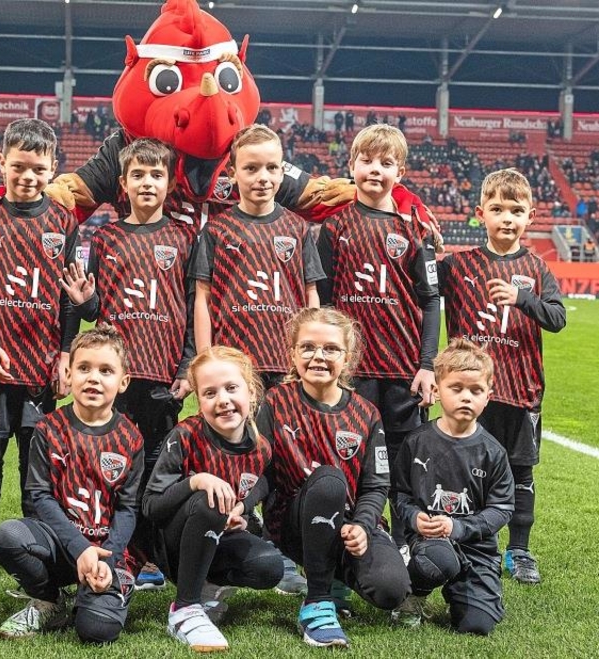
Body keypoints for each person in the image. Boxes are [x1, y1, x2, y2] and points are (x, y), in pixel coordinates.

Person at [60, 138, 195, 591]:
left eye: (156, 175)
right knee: (116, 470)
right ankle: (115, 553)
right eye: (137, 175)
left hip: (161, 377)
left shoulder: (184, 237)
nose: (147, 183)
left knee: (156, 476)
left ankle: (148, 558)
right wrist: (85, 301)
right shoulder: (104, 237)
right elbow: (95, 304)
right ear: (122, 184)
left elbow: (193, 304)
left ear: (170, 182)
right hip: (115, 378)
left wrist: (188, 365)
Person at [0, 118, 80, 585]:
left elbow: (69, 297)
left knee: (35, 465)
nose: (28, 176)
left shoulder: (65, 224)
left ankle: (30, 547)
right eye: (18, 166)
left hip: (41, 369)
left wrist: (65, 354)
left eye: (38, 168)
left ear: (52, 169)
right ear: (1, 162)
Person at [437, 168, 566, 585]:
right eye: (497, 209)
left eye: (516, 210)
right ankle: (465, 540)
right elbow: (416, 288)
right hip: (471, 392)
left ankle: (519, 550)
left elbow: (558, 319)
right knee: (463, 468)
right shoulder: (457, 266)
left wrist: (522, 298)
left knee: (520, 471)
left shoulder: (537, 269)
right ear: (480, 214)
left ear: (531, 217)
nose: (506, 218)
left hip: (521, 390)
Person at [316, 123, 440, 554]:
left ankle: (406, 545)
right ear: (351, 166)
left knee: (405, 461)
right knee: (348, 457)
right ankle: (344, 542)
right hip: (352, 371)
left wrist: (427, 365)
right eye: (366, 161)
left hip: (403, 370)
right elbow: (325, 304)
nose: (375, 170)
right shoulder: (332, 229)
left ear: (400, 173)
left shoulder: (415, 231)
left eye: (386, 163)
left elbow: (430, 302)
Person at [258, 307, 410, 649]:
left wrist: (363, 525)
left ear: (348, 357)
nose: (318, 357)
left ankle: (337, 574)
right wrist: (242, 507)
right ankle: (317, 602)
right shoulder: (274, 402)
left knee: (391, 589)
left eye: (330, 349)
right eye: (308, 347)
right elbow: (260, 472)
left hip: (347, 525)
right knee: (329, 481)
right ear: (292, 353)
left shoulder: (367, 413)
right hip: (294, 526)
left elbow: (375, 485)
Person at [0, 324, 143, 643]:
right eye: (84, 368)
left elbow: (128, 509)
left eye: (106, 370)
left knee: (96, 631)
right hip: (64, 544)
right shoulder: (48, 429)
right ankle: (49, 600)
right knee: (8, 536)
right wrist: (80, 549)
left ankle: (105, 590)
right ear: (68, 374)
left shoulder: (131, 438)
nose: (93, 377)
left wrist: (108, 557)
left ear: (123, 381)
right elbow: (39, 497)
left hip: (108, 550)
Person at [143, 346, 284, 651]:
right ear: (198, 400)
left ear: (251, 392)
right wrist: (196, 481)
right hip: (172, 546)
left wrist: (242, 509)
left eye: (232, 388)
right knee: (210, 499)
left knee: (269, 567)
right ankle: (184, 609)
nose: (223, 400)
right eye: (209, 393)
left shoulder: (260, 446)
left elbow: (263, 481)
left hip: (217, 538)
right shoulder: (185, 435)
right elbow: (151, 506)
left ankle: (209, 589)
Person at [390, 339, 514, 635]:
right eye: (456, 388)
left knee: (476, 625)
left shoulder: (493, 452)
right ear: (436, 390)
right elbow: (399, 494)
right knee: (439, 559)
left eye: (476, 390)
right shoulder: (416, 441)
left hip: (476, 548)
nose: (466, 398)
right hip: (429, 541)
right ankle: (415, 592)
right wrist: (413, 518)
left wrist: (458, 529)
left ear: (488, 396)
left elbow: (502, 508)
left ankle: (471, 590)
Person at [194, 124, 324, 391]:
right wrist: (205, 357)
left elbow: (311, 294)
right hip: (233, 363)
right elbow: (202, 298)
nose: (263, 177)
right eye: (251, 168)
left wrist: (310, 349)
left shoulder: (297, 228)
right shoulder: (217, 230)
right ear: (232, 173)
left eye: (272, 168)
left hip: (287, 360)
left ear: (281, 171)